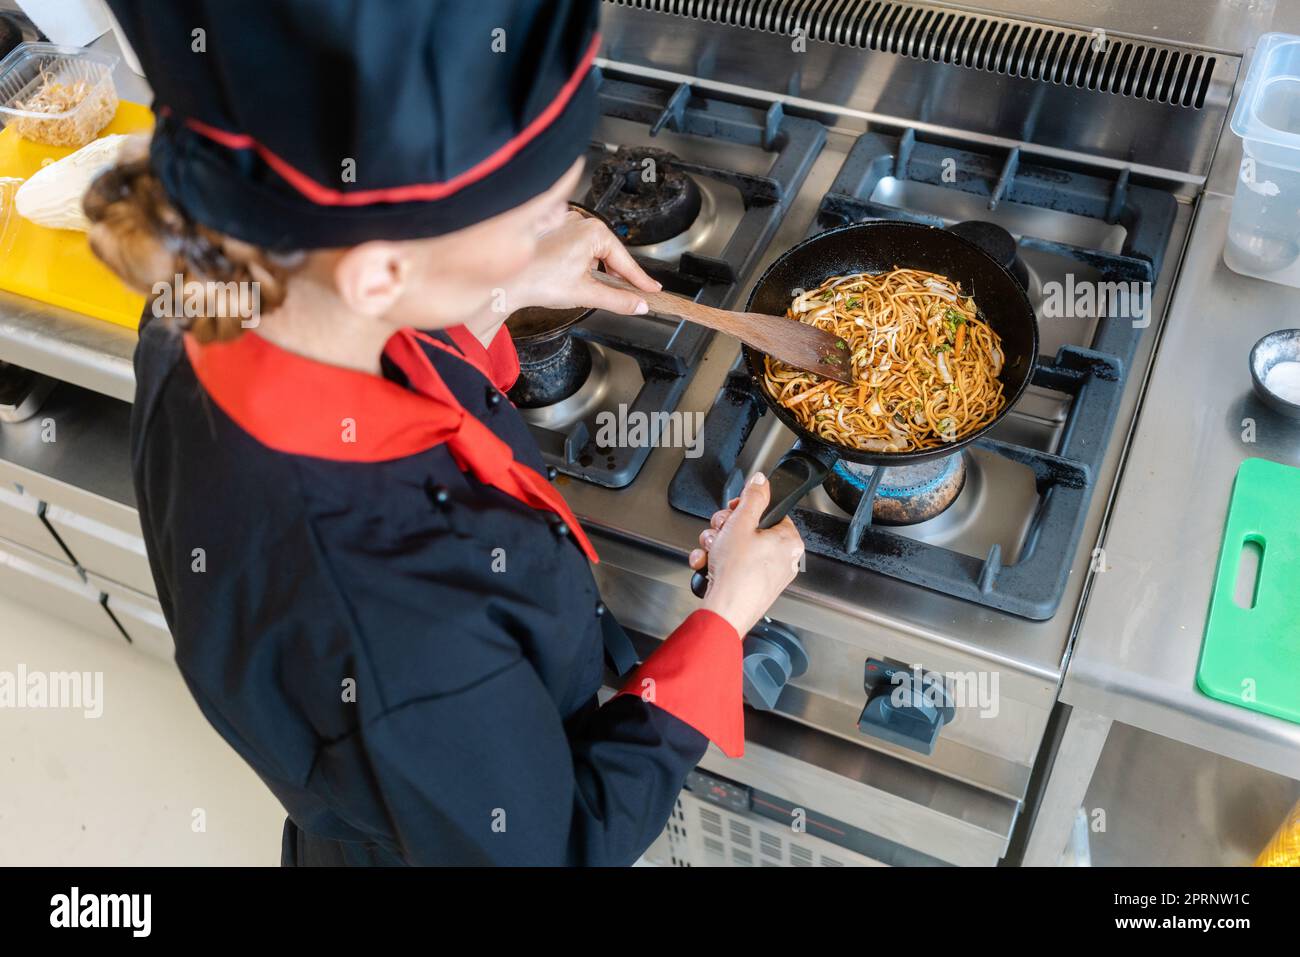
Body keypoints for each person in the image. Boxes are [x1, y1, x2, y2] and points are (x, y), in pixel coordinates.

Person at [91, 0, 803, 865]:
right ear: (381, 269)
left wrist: (499, 288)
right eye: (529, 220)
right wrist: (723, 619)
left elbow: (359, 350)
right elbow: (558, 847)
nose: (557, 227)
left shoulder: (201, 305)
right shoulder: (399, 620)